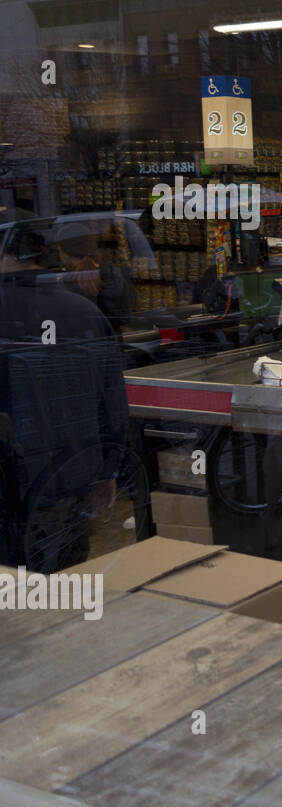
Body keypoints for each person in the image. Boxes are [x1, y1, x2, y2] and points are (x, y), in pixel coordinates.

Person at [0, 226, 128, 571]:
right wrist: (107, 468)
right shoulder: (83, 311)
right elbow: (111, 399)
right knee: (67, 582)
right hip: (73, 474)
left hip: (12, 485)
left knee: (15, 604)